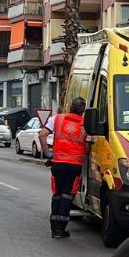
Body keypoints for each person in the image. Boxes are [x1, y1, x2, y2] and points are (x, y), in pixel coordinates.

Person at [43, 97, 88, 239]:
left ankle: (53, 228)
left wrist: (47, 154)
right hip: (74, 166)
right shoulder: (85, 124)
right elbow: (87, 147)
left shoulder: (57, 119)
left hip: (57, 164)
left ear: (70, 107)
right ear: (83, 110)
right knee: (67, 197)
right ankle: (60, 230)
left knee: (57, 195)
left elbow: (42, 135)